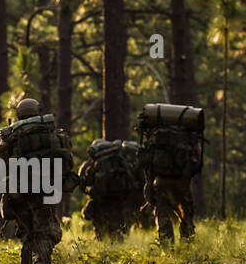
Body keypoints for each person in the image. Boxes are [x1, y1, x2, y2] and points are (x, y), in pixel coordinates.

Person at [0, 98, 74, 264]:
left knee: (26, 233)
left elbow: (2, 161)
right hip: (46, 191)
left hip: (20, 191)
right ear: (38, 112)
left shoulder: (11, 137)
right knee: (45, 230)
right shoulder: (52, 134)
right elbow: (67, 161)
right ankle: (41, 263)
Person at [136, 104, 204, 245]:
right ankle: (187, 248)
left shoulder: (156, 137)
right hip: (182, 185)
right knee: (186, 218)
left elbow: (145, 162)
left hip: (160, 184)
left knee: (163, 216)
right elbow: (197, 164)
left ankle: (167, 248)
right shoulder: (188, 139)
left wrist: (150, 181)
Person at [78, 139, 142, 240]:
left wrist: (90, 190)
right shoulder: (120, 161)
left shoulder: (92, 164)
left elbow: (83, 183)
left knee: (100, 230)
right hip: (118, 200)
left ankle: (103, 248)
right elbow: (130, 181)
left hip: (100, 201)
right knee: (118, 228)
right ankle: (118, 248)